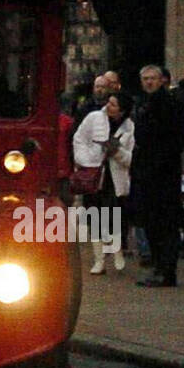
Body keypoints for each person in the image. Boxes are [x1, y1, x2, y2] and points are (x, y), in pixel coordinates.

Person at [132, 63, 184, 287]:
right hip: (147, 171)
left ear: (161, 80)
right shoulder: (143, 104)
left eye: (152, 78)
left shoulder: (171, 104)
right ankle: (159, 266)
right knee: (151, 222)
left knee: (165, 222)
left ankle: (166, 269)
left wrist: (160, 161)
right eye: (145, 79)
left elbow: (177, 139)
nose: (149, 82)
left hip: (163, 173)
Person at [73, 91, 134, 275]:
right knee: (93, 217)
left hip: (114, 180)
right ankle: (99, 260)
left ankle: (116, 251)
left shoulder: (129, 127)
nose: (109, 106)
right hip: (93, 175)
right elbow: (79, 140)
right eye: (109, 102)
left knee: (113, 218)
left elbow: (131, 157)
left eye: (114, 104)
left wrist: (116, 152)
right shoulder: (93, 118)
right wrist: (85, 160)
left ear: (122, 111)